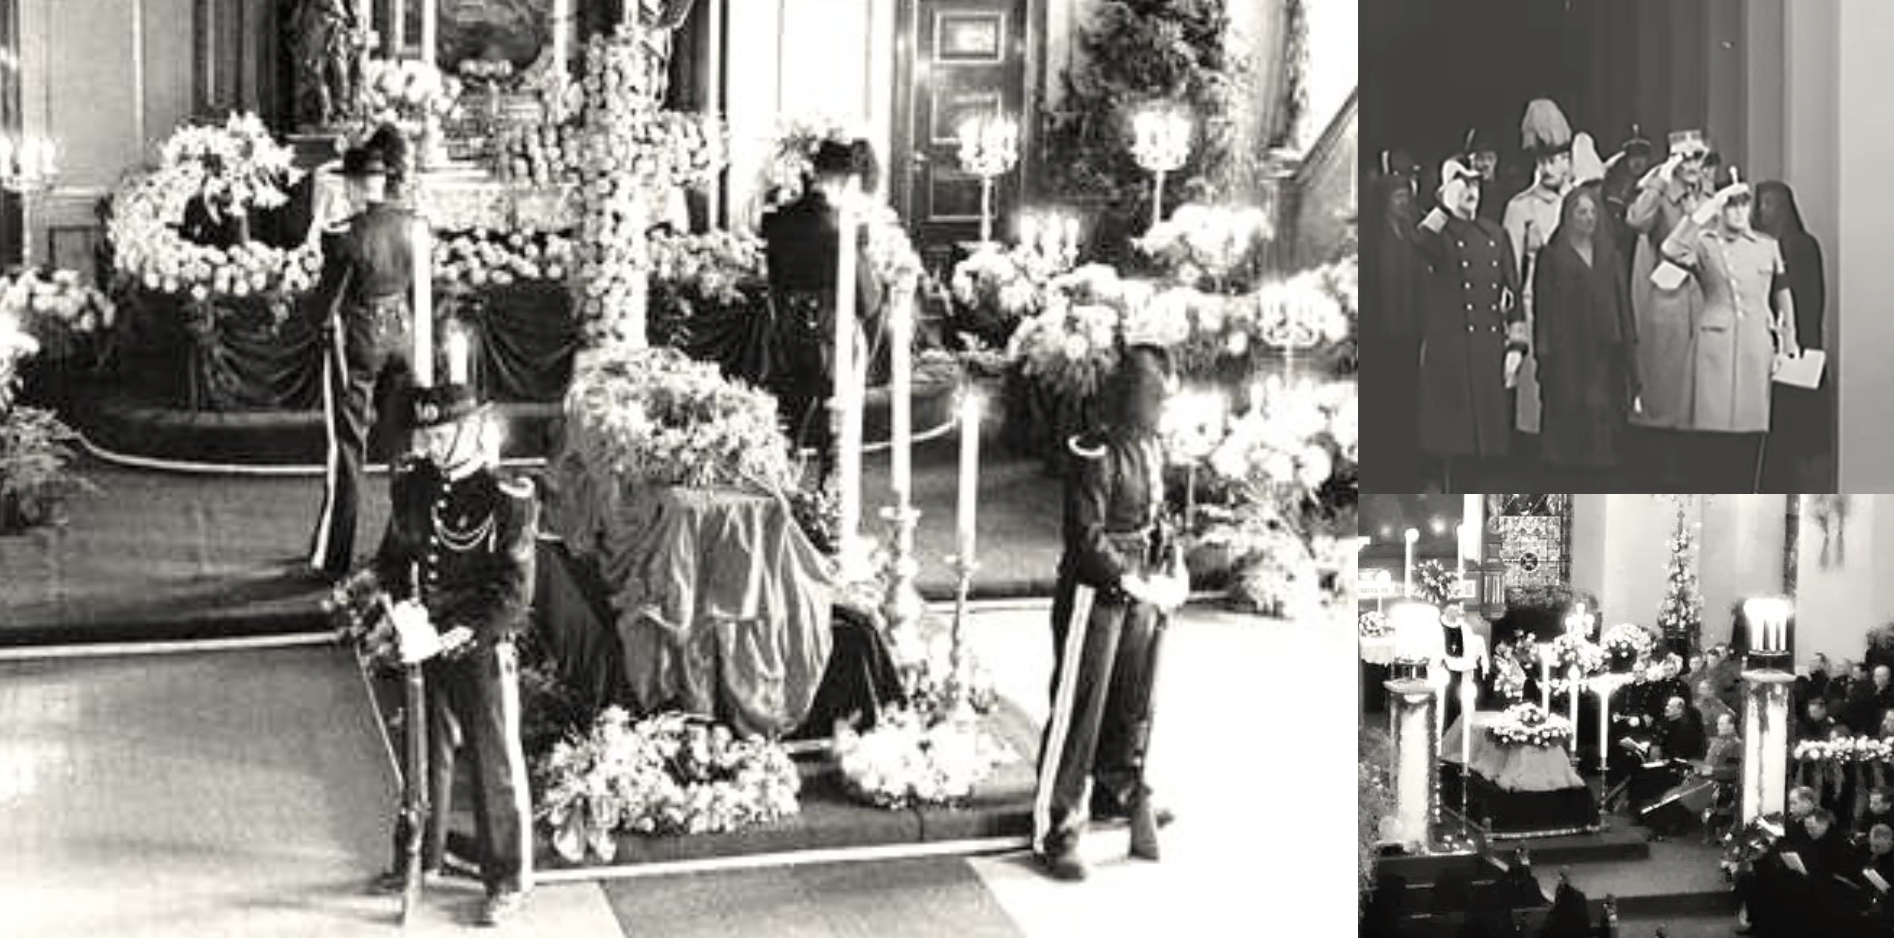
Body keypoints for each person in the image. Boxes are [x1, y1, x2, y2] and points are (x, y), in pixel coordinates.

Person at [363, 381, 537, 926]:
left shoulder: (508, 499)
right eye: (427, 435)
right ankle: (420, 857)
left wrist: (451, 631)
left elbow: (513, 595)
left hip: (479, 645)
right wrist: (399, 610)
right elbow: (394, 557)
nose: (432, 446)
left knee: (494, 763)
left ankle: (506, 879)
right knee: (422, 754)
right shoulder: (413, 485)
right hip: (423, 637)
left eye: (442, 435)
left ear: (469, 430)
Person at [1034, 344, 1186, 881]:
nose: (1163, 408)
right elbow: (1085, 535)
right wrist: (1127, 578)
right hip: (1094, 596)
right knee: (1082, 708)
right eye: (1156, 398)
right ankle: (1060, 822)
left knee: (1131, 701)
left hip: (1141, 586)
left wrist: (1172, 568)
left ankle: (1116, 789)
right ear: (1132, 399)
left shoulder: (1150, 446)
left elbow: (1156, 514)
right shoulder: (1094, 450)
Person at [306, 134, 425, 581]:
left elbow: (323, 308)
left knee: (348, 448)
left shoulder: (347, 235)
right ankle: (406, 548)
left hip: (358, 340)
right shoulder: (409, 222)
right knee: (403, 448)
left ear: (354, 185)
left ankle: (333, 556)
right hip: (403, 335)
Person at [1661, 165, 1799, 492]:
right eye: (1731, 203)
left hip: (1755, 345)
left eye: (1743, 203)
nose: (1738, 211)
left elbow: (1782, 291)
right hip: (1715, 350)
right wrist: (1701, 215)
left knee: (1751, 437)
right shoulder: (1706, 244)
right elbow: (1671, 250)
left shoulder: (1766, 246)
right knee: (1713, 438)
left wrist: (1788, 340)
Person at [759, 139, 887, 479]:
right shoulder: (844, 228)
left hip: (785, 332)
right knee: (838, 428)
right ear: (846, 181)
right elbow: (868, 299)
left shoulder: (778, 220)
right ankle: (830, 505)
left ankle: (781, 491)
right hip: (833, 337)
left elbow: (774, 281)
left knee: (789, 424)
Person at [1414, 154, 1525, 491]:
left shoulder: (1495, 234)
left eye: (1475, 183)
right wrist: (1444, 209)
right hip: (1451, 357)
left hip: (1487, 353)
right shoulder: (1439, 233)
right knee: (1454, 455)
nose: (1470, 191)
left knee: (1487, 458)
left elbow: (1512, 292)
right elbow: (1419, 241)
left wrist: (1517, 347)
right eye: (1462, 184)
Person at [1531, 184, 1637, 479]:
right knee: (1567, 431)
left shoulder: (1611, 256)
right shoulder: (1551, 257)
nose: (1588, 218)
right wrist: (1544, 355)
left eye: (1592, 212)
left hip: (1606, 355)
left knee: (1604, 429)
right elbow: (1543, 311)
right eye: (1581, 212)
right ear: (1568, 216)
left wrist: (1630, 353)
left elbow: (1623, 306)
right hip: (1567, 356)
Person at [1626, 131, 1713, 486]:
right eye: (1686, 158)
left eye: (1699, 158)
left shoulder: (1709, 196)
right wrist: (1660, 182)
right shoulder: (1660, 194)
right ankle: (1661, 472)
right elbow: (1636, 220)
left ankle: (1694, 470)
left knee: (1699, 393)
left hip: (1702, 298)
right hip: (1667, 300)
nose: (1694, 166)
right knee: (1665, 392)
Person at [1504, 98, 1577, 445]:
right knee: (1536, 416)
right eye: (1544, 161)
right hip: (1536, 315)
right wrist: (1515, 328)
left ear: (1569, 162)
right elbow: (1510, 276)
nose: (1550, 168)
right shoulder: (1520, 208)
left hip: (1577, 315)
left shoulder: (1581, 203)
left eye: (1558, 160)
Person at [1751, 181, 1830, 491]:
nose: (1761, 211)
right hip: (1778, 351)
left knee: (1797, 435)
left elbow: (1804, 300)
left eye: (1768, 204)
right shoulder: (1767, 247)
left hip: (1796, 352)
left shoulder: (1799, 246)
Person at [1365, 151, 1425, 490]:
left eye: (1406, 197)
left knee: (1409, 403)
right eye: (1397, 197)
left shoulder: (1412, 234)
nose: (1402, 203)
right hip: (1383, 336)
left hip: (1410, 333)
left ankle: (1408, 468)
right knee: (1386, 404)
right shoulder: (1375, 240)